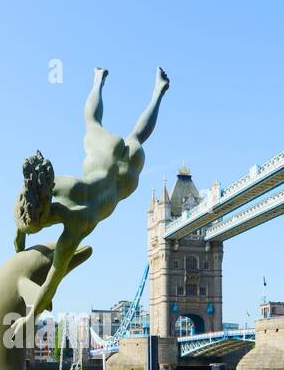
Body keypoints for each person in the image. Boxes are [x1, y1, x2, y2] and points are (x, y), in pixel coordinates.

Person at [11, 66, 169, 335]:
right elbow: (22, 223)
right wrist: (20, 242)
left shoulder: (76, 222)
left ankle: (151, 91)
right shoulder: (50, 187)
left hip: (122, 181)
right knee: (95, 124)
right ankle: (123, 85)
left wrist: (30, 317)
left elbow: (54, 277)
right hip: (103, 161)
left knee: (136, 138)